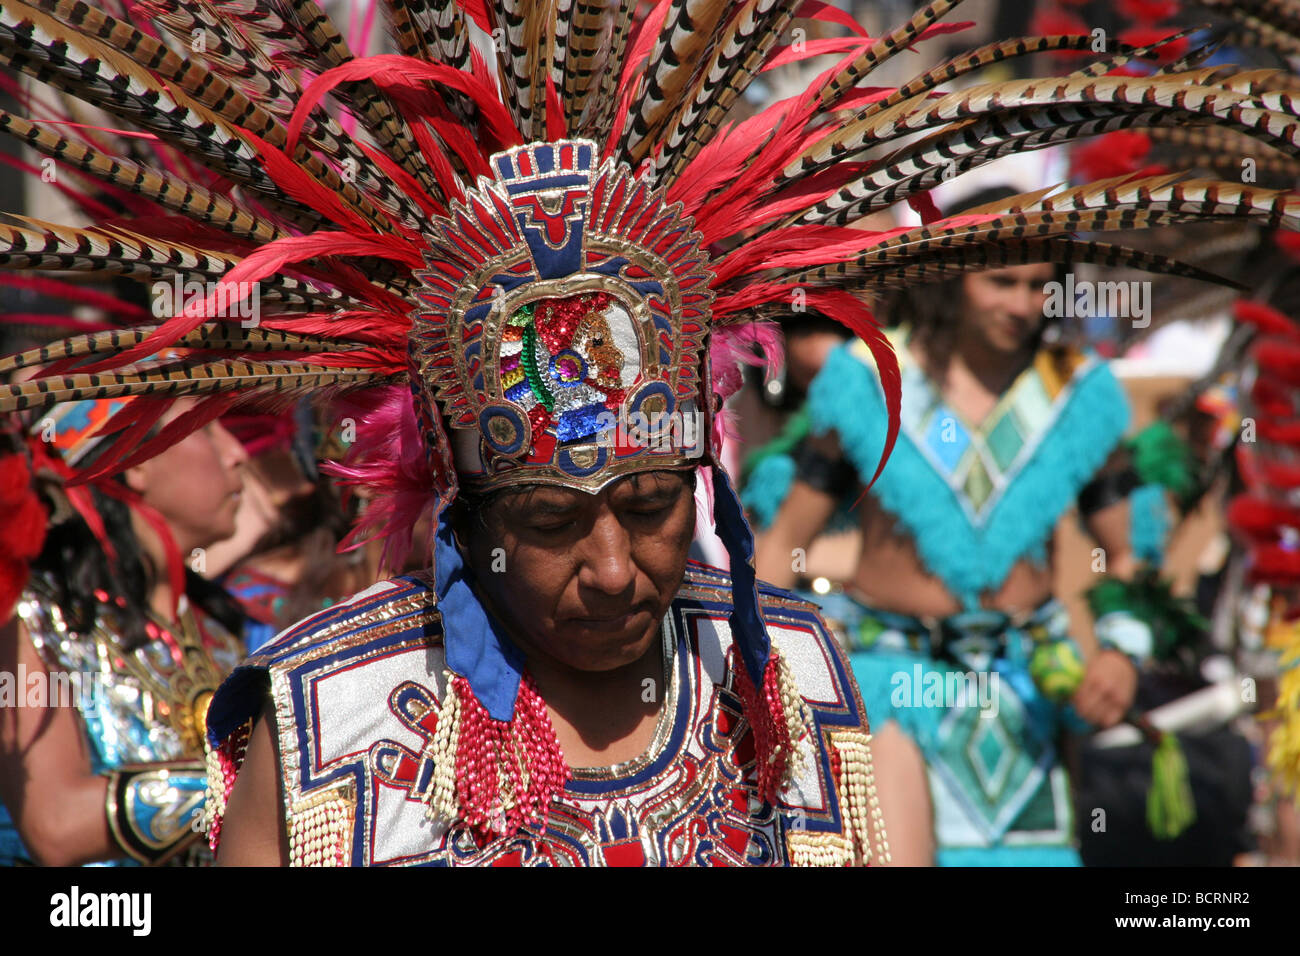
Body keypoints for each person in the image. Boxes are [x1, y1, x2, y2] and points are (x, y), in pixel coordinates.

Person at [2, 0, 1298, 866]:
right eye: (553, 524)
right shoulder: (326, 725)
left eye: (651, 505)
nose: (614, 568)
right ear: (467, 511)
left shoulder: (811, 705)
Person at [753, 246, 1154, 865]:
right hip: (888, 686)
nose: (1022, 304)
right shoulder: (872, 378)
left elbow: (1130, 554)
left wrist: (1124, 653)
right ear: (955, 279)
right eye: (1002, 281)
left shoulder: (1076, 391)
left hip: (1025, 693)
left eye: (1037, 287)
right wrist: (759, 672)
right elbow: (782, 543)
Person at [0, 396, 248, 865]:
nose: (238, 453)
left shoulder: (215, 629)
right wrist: (251, 781)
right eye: (206, 428)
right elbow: (55, 824)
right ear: (138, 462)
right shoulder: (26, 615)